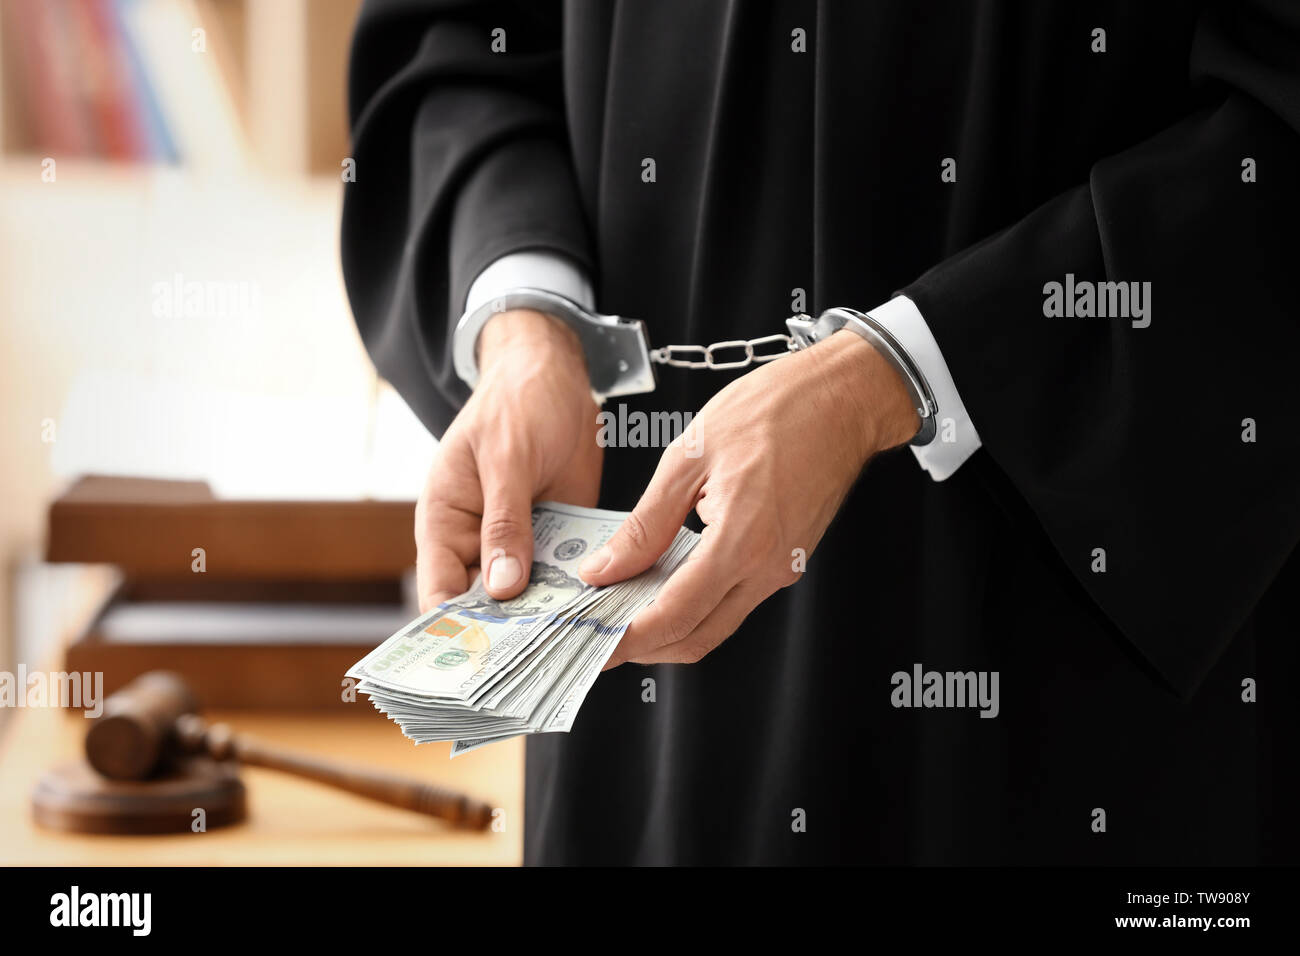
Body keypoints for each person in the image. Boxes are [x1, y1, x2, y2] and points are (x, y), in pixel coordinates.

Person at [341, 0, 1300, 865]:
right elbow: (460, 32)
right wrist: (527, 317)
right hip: (645, 686)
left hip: (1058, 680)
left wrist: (903, 368)